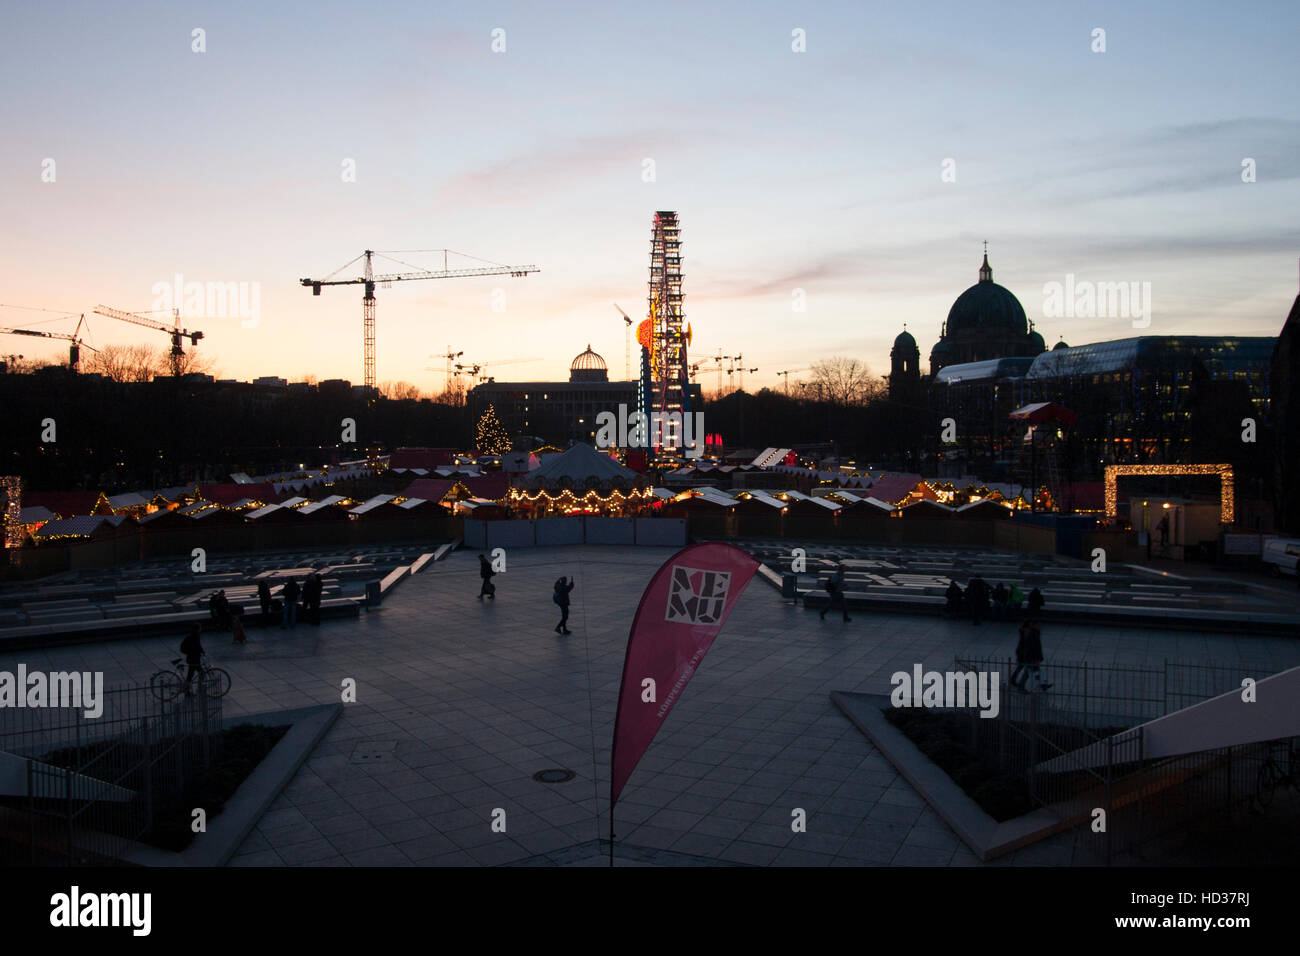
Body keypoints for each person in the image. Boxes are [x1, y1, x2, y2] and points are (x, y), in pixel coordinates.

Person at [1011, 618, 1052, 691]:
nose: (1040, 626)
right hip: (1028, 656)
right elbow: (1033, 647)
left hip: (1026, 655)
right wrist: (1035, 658)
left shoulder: (1031, 632)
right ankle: (1021, 686)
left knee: (1033, 670)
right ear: (1032, 625)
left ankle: (1042, 685)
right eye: (1039, 625)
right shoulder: (1031, 633)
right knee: (1028, 671)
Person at [180, 623, 205, 694]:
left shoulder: (192, 635)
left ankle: (188, 689)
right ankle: (197, 688)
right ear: (199, 629)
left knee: (192, 674)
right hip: (194, 659)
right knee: (199, 673)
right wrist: (202, 652)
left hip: (192, 658)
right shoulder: (196, 636)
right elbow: (198, 646)